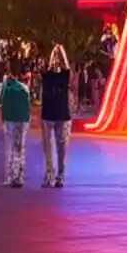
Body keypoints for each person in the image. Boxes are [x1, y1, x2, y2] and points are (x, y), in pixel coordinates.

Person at [40, 44, 73, 188]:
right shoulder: (47, 76)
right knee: (48, 147)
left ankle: (60, 175)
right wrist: (53, 52)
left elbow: (67, 67)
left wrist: (61, 51)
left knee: (61, 147)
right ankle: (49, 175)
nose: (56, 63)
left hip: (61, 115)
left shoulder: (64, 77)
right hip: (48, 115)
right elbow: (46, 68)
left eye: (57, 61)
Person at [0, 67, 32, 188]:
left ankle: (9, 176)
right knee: (20, 148)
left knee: (9, 148)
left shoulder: (6, 86)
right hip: (22, 120)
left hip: (9, 119)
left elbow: (1, 101)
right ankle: (19, 176)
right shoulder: (24, 88)